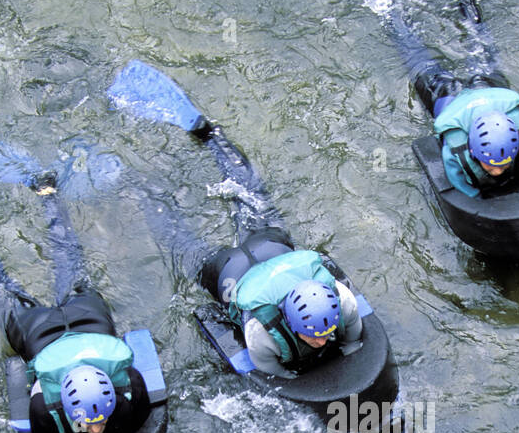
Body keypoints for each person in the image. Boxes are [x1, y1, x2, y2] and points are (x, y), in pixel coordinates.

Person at [140, 118, 363, 379]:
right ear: (290, 322)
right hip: (228, 272)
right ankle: (144, 185)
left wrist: (350, 349)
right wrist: (292, 377)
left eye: (325, 335)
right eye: (313, 337)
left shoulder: (343, 301)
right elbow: (272, 370)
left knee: (251, 192)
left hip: (272, 247)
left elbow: (353, 340)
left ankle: (212, 135)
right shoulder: (261, 333)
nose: (323, 342)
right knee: (179, 240)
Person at [0, 177, 151, 433]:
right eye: (91, 423)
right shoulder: (45, 409)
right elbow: (46, 428)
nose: (96, 431)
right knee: (0, 279)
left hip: (83, 320)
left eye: (100, 421)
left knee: (58, 263)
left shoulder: (131, 386)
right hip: (42, 330)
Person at [378, 0, 519, 198]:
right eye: (491, 166)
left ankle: (465, 0)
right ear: (473, 151)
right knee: (416, 57)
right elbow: (458, 180)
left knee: (481, 44)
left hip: (488, 89)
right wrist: (476, 198)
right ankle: (387, 10)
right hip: (448, 99)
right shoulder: (456, 147)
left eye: (503, 165)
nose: (498, 171)